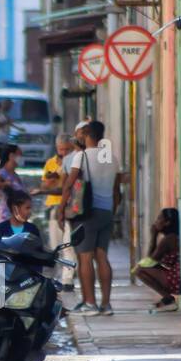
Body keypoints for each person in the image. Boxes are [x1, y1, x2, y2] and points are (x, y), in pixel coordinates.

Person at [58, 120, 123, 316]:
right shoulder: (112, 158)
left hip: (86, 213)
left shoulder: (81, 157)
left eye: (80, 134)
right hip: (106, 212)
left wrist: (61, 209)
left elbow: (69, 185)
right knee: (102, 256)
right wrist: (111, 210)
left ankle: (90, 303)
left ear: (86, 134)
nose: (77, 137)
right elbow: (116, 191)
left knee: (84, 258)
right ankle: (106, 304)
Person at [35, 134, 76, 289]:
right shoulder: (50, 163)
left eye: (67, 149)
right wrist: (51, 180)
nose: (63, 152)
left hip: (69, 208)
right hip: (54, 207)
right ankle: (60, 276)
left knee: (68, 245)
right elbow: (44, 186)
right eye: (61, 149)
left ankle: (67, 279)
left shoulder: (74, 162)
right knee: (56, 246)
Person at [135, 208, 181, 312]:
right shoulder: (172, 237)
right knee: (142, 268)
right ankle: (167, 299)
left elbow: (149, 262)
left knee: (139, 270)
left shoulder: (169, 239)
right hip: (177, 277)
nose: (156, 221)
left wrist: (153, 236)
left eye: (159, 218)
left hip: (177, 281)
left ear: (167, 223)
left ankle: (168, 299)